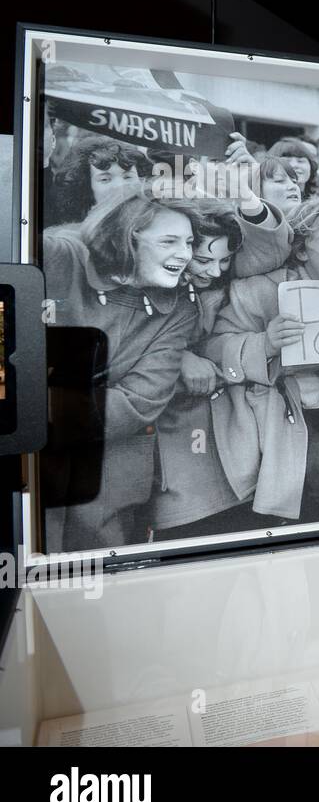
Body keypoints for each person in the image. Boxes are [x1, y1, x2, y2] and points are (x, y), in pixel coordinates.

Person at [204, 199, 319, 522]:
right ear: (302, 251)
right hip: (280, 405)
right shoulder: (262, 290)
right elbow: (213, 348)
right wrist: (266, 343)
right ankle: (314, 546)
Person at [41, 190, 204, 549]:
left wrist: (39, 409)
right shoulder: (61, 255)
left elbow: (139, 400)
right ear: (128, 236)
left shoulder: (178, 310)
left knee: (99, 590)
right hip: (29, 469)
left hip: (105, 479)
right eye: (169, 241)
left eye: (189, 242)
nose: (185, 254)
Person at [144, 179, 294, 540]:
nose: (215, 270)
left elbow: (269, 251)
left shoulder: (215, 282)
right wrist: (178, 358)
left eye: (225, 260)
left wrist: (247, 201)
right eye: (204, 259)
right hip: (174, 439)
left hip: (224, 433)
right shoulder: (150, 281)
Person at [46, 135, 151, 226]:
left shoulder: (155, 221)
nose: (120, 185)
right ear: (86, 188)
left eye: (128, 177)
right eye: (105, 179)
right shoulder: (74, 237)